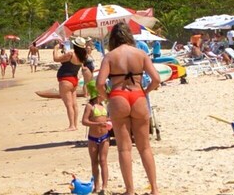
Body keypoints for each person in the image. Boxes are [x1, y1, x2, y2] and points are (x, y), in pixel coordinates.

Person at [99, 24, 159, 195]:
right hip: (138, 96)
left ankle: (130, 190)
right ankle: (154, 189)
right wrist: (145, 91)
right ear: (129, 36)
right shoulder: (140, 54)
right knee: (145, 147)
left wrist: (108, 97)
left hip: (118, 97)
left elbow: (100, 84)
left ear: (113, 39)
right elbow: (156, 79)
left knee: (124, 148)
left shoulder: (110, 56)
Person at [36, 43, 90, 131]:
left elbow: (56, 59)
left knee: (69, 104)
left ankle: (72, 125)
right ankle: (75, 125)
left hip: (66, 80)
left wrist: (55, 49)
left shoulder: (71, 54)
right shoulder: (82, 56)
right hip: (74, 79)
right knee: (74, 104)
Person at [79, 94, 113, 193]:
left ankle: (104, 186)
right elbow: (84, 121)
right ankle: (96, 186)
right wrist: (98, 124)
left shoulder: (103, 105)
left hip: (104, 136)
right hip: (93, 137)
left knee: (103, 161)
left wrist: (108, 121)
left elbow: (104, 118)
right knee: (94, 162)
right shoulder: (90, 106)